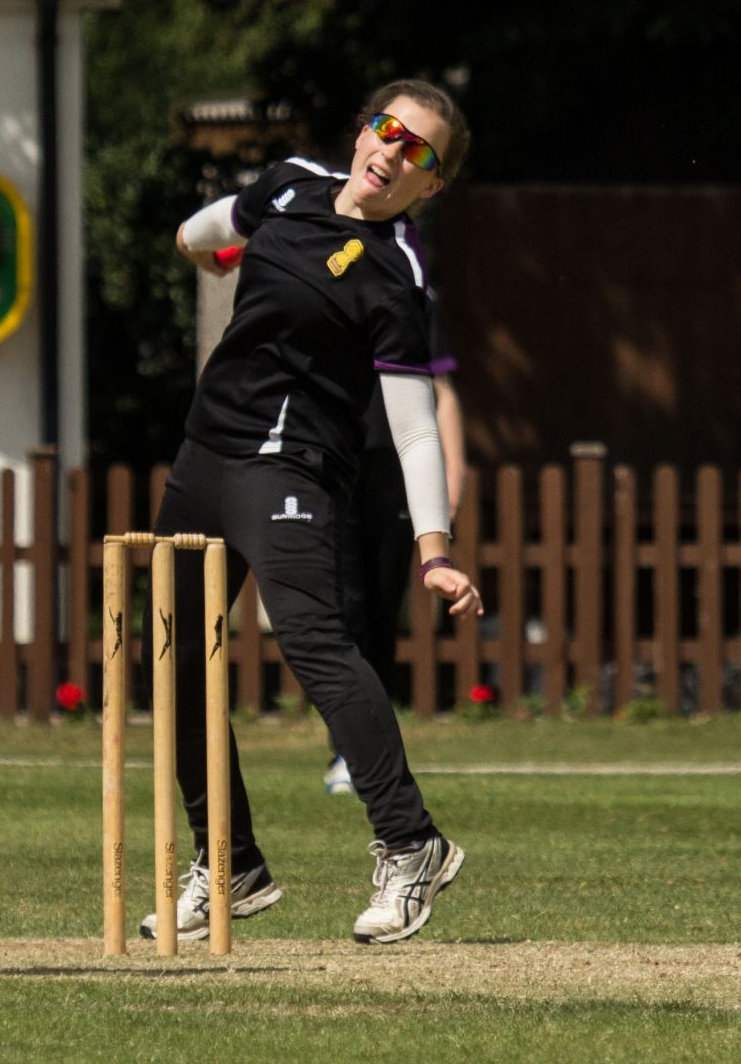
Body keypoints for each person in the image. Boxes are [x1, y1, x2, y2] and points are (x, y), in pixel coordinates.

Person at [152, 79, 483, 945]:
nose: (391, 153)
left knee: (313, 642)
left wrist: (435, 549)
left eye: (418, 152)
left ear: (429, 184)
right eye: (386, 130)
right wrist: (210, 249)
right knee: (174, 661)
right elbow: (201, 231)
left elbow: (414, 432)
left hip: (290, 466)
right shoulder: (291, 185)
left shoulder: (396, 271)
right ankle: (229, 862)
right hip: (203, 455)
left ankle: (412, 843)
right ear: (362, 128)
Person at [324, 294, 467, 795]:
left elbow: (441, 388)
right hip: (333, 461)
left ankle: (372, 748)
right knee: (345, 608)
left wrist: (453, 474)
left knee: (383, 612)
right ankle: (346, 748)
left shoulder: (414, 292)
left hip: (395, 466)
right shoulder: (323, 277)